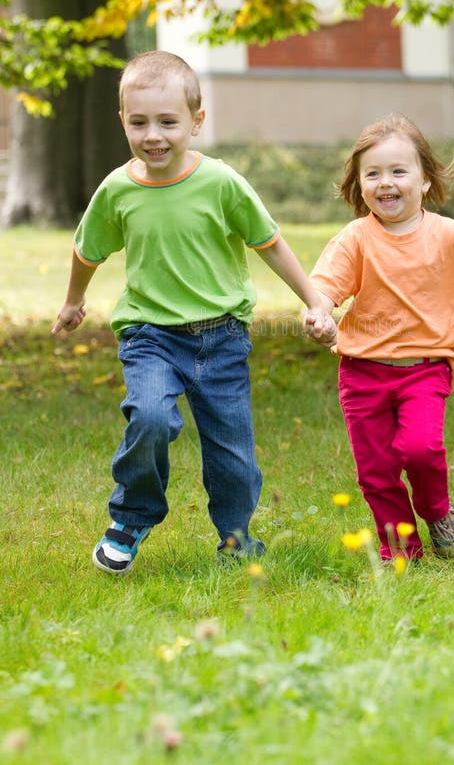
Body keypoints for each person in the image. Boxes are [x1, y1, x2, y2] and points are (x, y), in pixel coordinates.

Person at [52, 50, 330, 575]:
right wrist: (72, 301)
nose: (152, 135)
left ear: (196, 122)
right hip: (149, 333)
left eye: (167, 122)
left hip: (221, 337)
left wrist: (313, 298)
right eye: (139, 123)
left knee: (233, 454)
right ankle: (132, 517)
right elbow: (88, 250)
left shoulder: (221, 183)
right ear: (122, 122)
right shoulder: (118, 190)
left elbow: (269, 243)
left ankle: (234, 537)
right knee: (152, 417)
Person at [304, 113, 454, 562]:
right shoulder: (355, 238)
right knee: (375, 472)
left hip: (426, 368)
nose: (385, 182)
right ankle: (402, 549)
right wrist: (318, 315)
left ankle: (436, 511)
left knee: (419, 447)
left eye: (398, 171)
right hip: (361, 373)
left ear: (426, 181)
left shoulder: (453, 236)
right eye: (372, 174)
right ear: (359, 185)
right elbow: (323, 290)